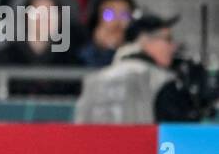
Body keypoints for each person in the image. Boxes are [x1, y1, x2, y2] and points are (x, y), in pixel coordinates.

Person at [76, 10, 218, 123]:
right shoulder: (163, 81)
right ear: (145, 41)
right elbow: (179, 137)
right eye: (167, 39)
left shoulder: (93, 81)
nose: (173, 47)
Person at [79, 0, 136, 68]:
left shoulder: (139, 52)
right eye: (109, 14)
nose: (117, 21)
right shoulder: (81, 53)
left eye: (124, 15)